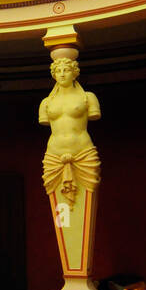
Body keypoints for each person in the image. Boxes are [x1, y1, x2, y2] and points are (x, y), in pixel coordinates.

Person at [39, 56, 100, 204]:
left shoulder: (88, 97)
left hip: (83, 152)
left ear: (74, 73)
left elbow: (94, 114)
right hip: (55, 154)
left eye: (66, 70)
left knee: (87, 196)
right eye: (58, 71)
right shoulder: (46, 103)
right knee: (59, 201)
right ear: (54, 75)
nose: (62, 74)